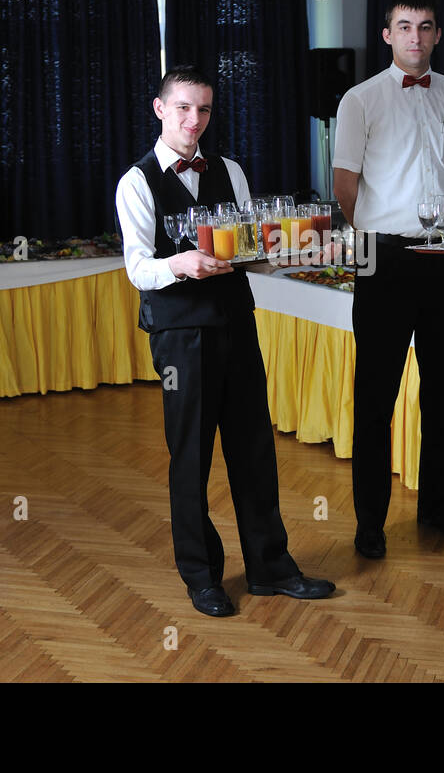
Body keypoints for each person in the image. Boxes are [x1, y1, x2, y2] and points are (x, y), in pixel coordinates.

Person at [114, 65, 334, 617]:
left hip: (236, 322)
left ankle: (270, 567)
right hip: (181, 337)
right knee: (190, 457)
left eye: (205, 109)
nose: (195, 120)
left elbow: (244, 250)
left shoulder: (230, 170)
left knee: (254, 450)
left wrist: (295, 254)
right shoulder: (136, 181)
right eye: (184, 107)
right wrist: (181, 264)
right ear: (160, 108)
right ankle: (201, 576)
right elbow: (139, 268)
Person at [332, 0, 444, 559]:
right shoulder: (359, 99)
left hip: (443, 258)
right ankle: (370, 522)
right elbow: (346, 184)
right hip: (382, 257)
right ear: (387, 35)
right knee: (376, 396)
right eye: (404, 27)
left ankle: (437, 507)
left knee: (441, 390)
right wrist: (376, 238)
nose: (415, 36)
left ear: (437, 35)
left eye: (425, 26)